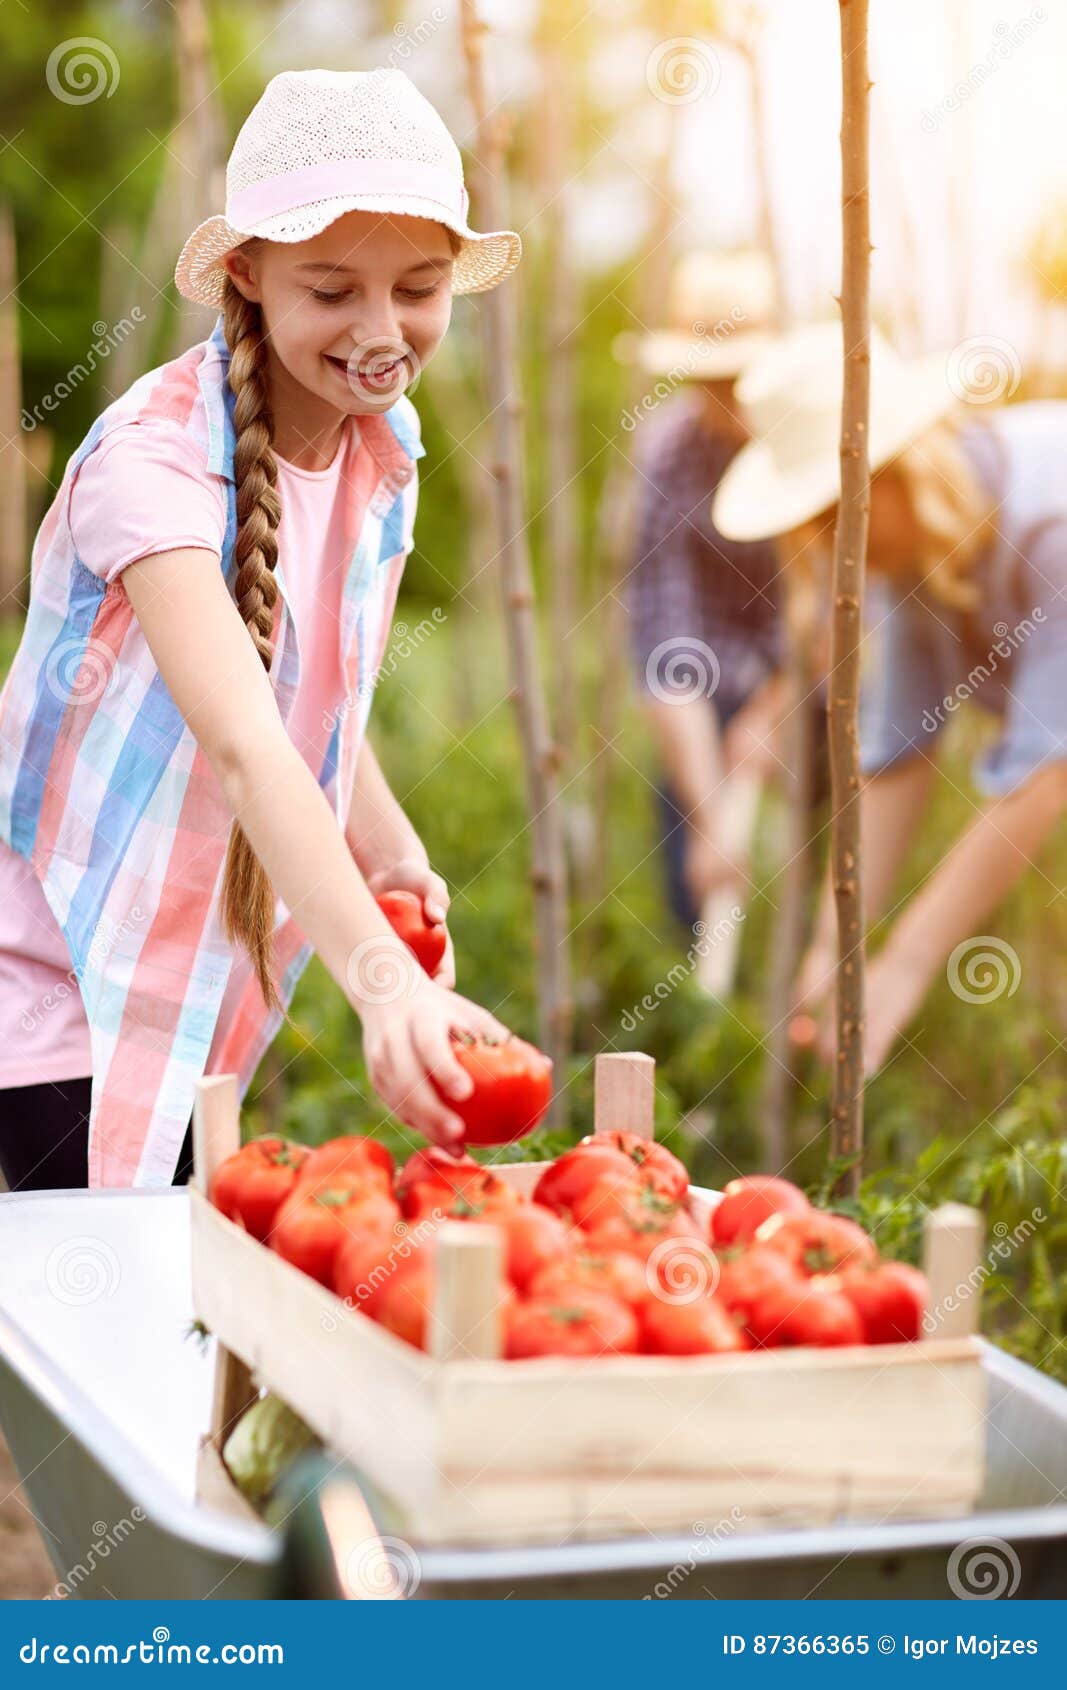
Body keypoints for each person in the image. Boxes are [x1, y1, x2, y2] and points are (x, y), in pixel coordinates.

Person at [0, 68, 524, 1190]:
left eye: (420, 288)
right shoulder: (150, 468)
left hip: (182, 994)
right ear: (245, 273)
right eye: (332, 290)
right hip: (49, 995)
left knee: (164, 1324)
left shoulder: (378, 444)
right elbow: (244, 739)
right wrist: (384, 988)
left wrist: (386, 847)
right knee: (97, 1342)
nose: (383, 333)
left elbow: (309, 686)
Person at [713, 319, 1067, 1074]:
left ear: (900, 470)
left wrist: (902, 969)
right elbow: (901, 753)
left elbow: (1044, 772)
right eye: (813, 522)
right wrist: (832, 947)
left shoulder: (1051, 524)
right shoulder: (917, 554)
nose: (830, 541)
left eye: (836, 511)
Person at [621, 250, 825, 948]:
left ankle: (808, 971)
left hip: (812, 686)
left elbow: (837, 610)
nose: (725, 398)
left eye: (737, 378)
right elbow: (659, 635)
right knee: (691, 861)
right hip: (704, 692)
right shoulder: (668, 453)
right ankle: (704, 1013)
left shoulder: (813, 442)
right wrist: (711, 815)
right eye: (708, 381)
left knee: (815, 857)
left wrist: (776, 709)